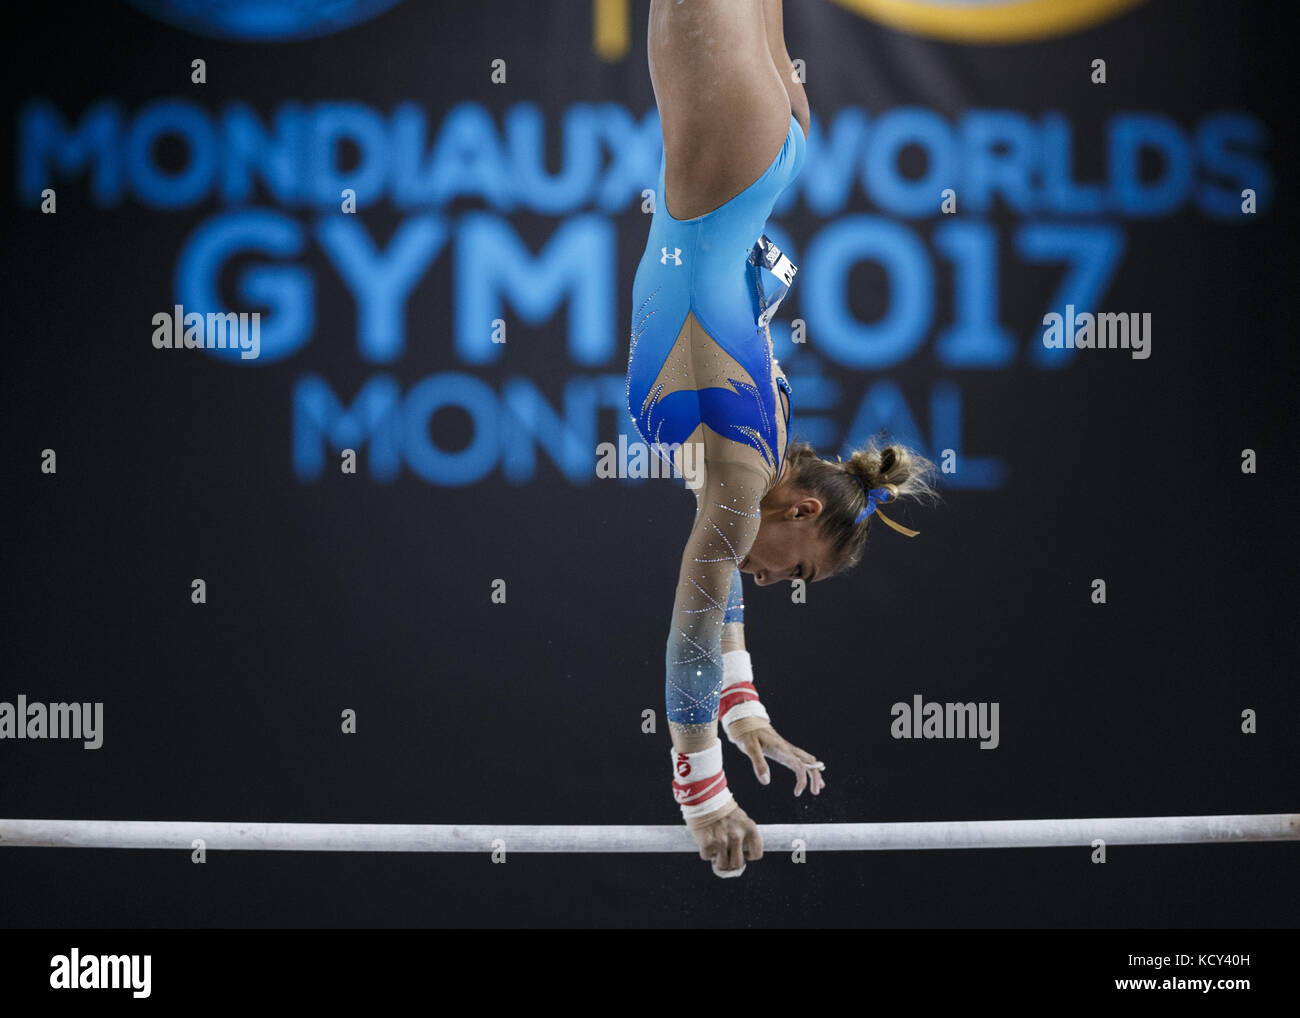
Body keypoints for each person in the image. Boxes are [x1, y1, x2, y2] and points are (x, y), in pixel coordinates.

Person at [625, 0, 937, 878]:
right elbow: (696, 609)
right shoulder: (742, 470)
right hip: (733, 160)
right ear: (802, 505)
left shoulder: (748, 466)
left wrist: (743, 704)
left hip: (760, 145)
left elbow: (720, 588)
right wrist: (704, 793)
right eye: (798, 567)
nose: (777, 583)